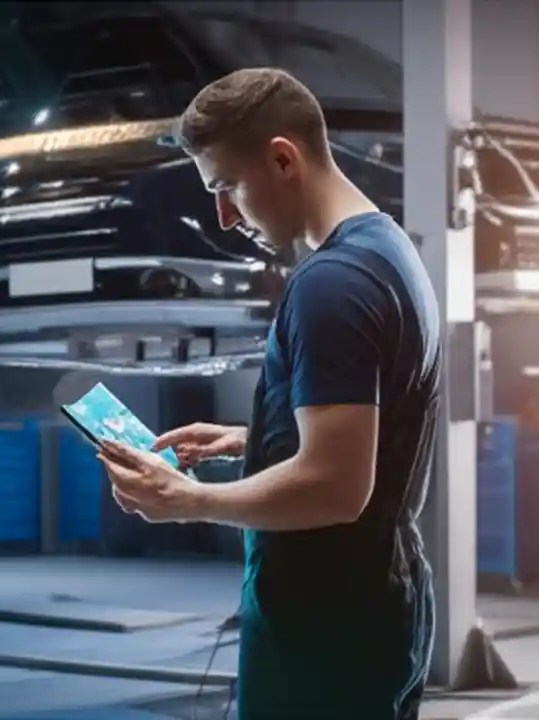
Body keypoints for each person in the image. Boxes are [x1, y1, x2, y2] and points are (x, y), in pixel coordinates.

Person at [96, 68, 440, 720]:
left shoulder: (331, 285)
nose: (224, 218)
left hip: (323, 623)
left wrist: (186, 499)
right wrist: (252, 441)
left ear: (283, 159)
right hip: (378, 596)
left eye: (226, 187)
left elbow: (337, 487)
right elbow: (373, 429)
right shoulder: (388, 250)